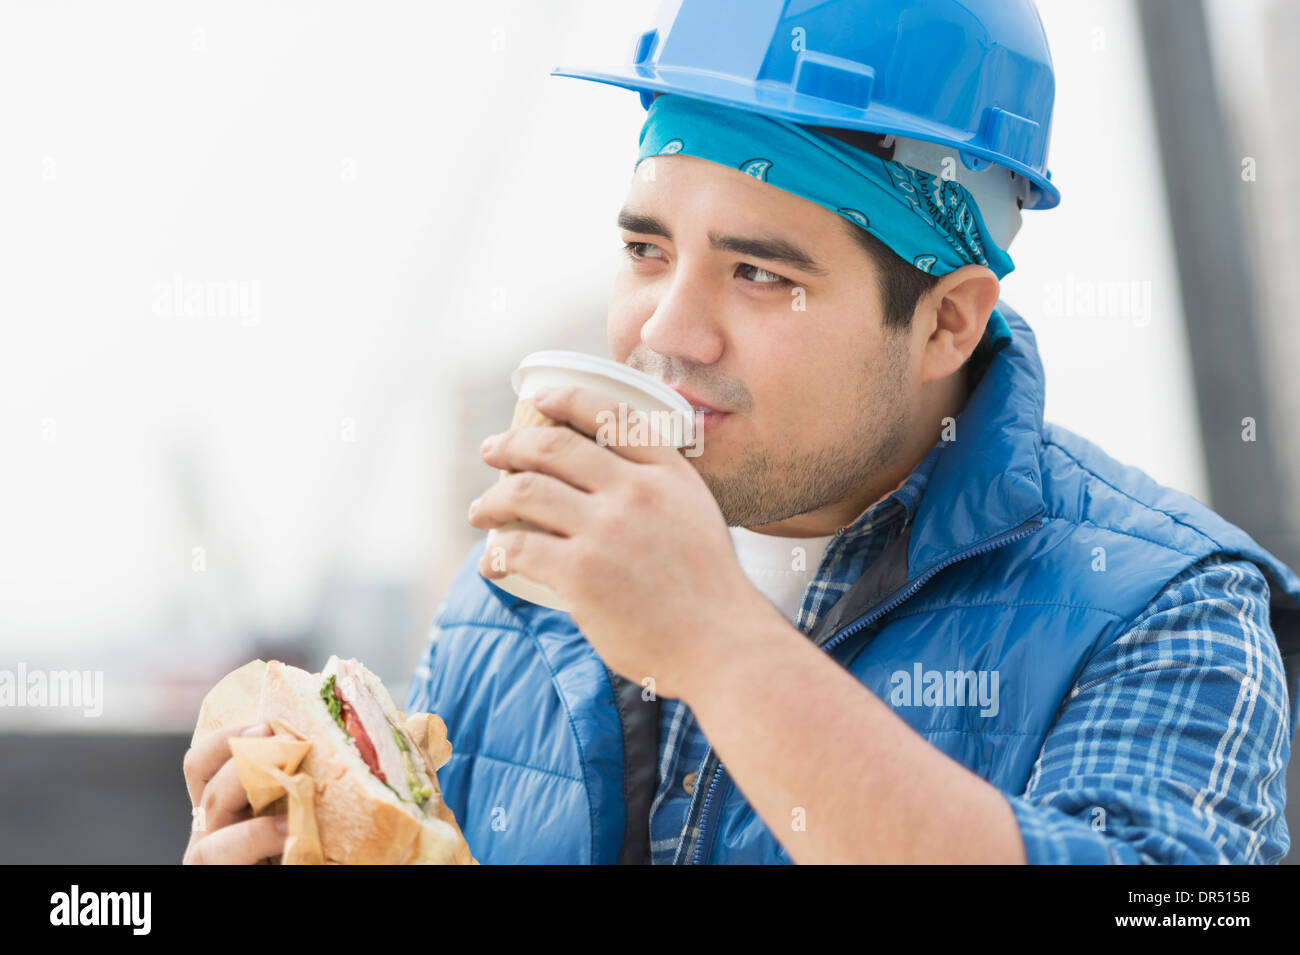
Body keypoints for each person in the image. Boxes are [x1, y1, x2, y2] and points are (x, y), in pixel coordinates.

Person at [185, 0, 1300, 864]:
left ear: (947, 321)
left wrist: (715, 643)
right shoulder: (522, 584)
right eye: (646, 251)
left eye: (760, 273)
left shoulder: (1166, 609)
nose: (668, 333)